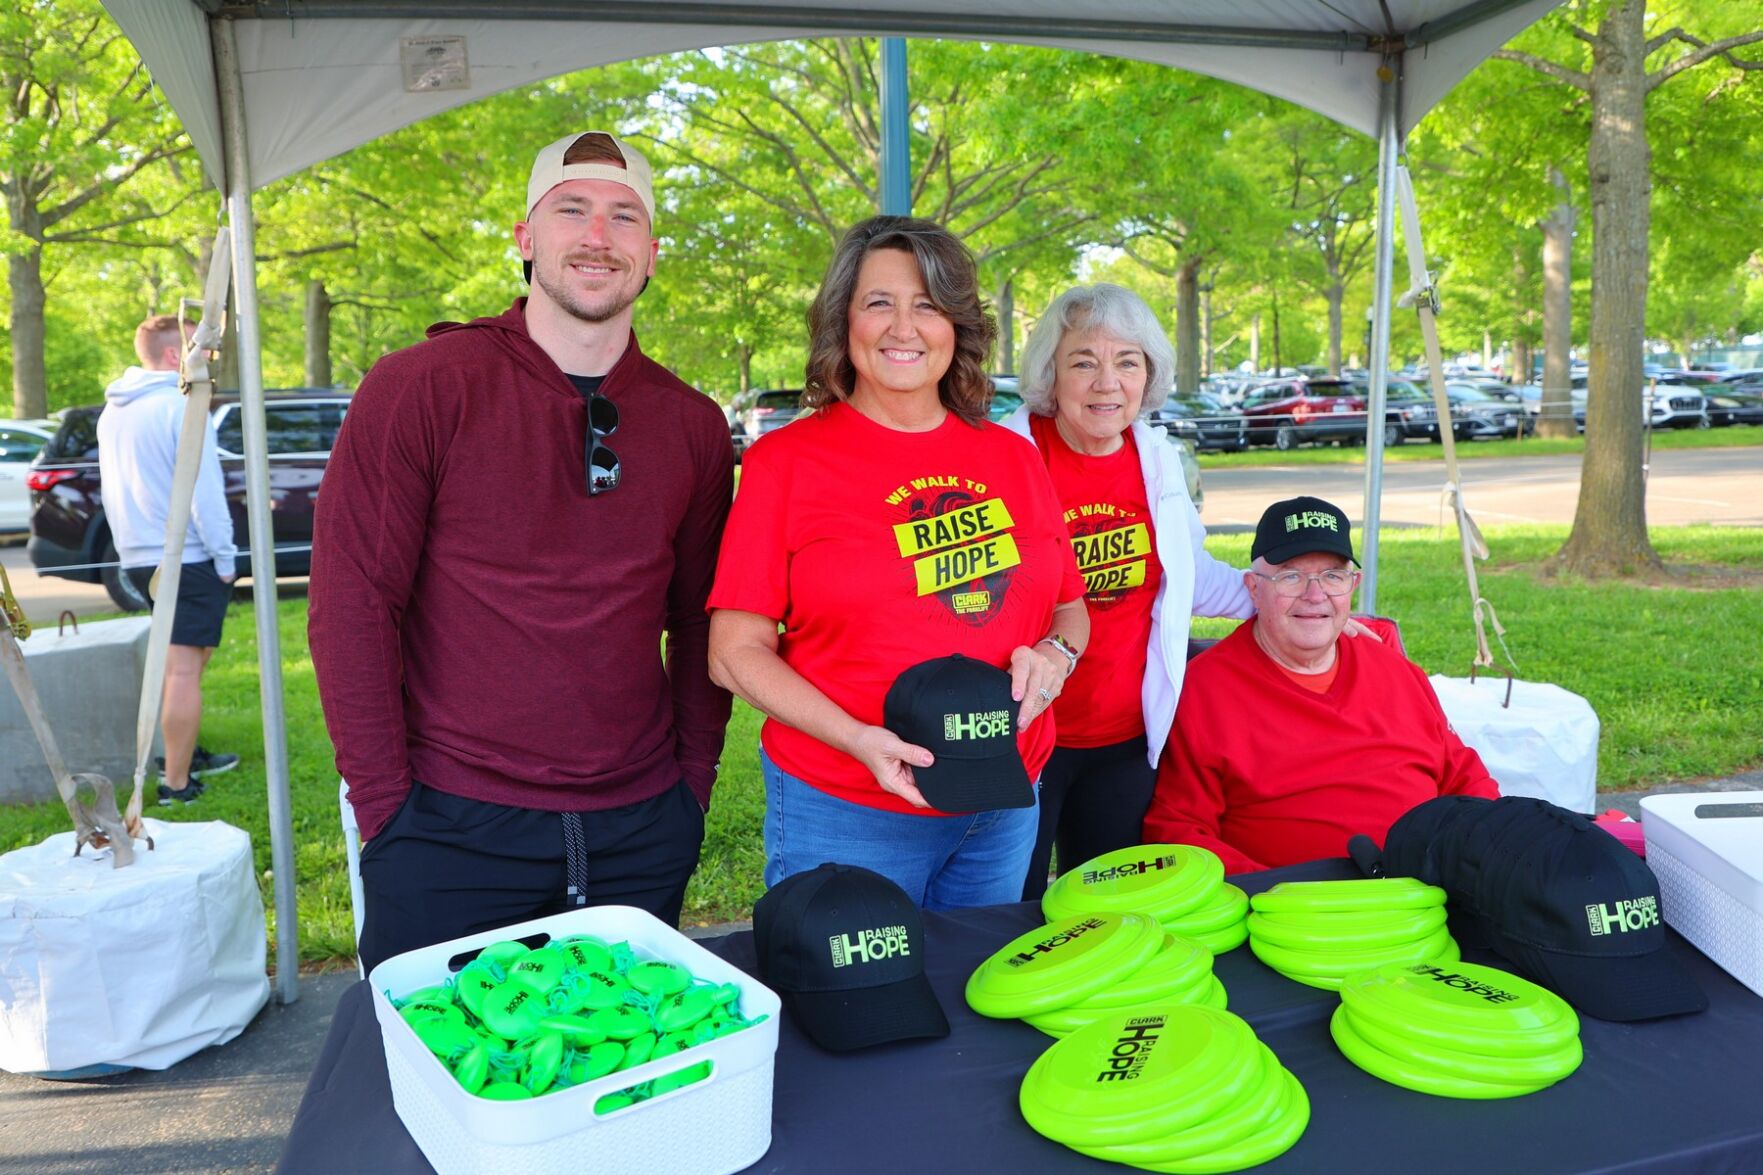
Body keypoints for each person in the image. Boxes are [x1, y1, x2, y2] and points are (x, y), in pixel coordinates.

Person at [309, 132, 735, 972]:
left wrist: (690, 785)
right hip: (448, 824)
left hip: (641, 823)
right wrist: (387, 808)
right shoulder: (421, 387)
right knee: (449, 1085)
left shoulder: (690, 422)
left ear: (650, 254)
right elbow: (353, 605)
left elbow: (698, 622)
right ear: (524, 236)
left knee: (618, 1082)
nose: (596, 236)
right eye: (571, 209)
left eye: (623, 217)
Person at [706, 215, 1089, 909]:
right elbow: (732, 652)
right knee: (849, 1010)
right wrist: (857, 740)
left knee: (980, 997)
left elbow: (1068, 605)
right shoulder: (784, 465)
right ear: (842, 322)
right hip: (848, 806)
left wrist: (1056, 656)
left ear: (958, 327)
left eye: (928, 305)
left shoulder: (1012, 457)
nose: (904, 327)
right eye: (879, 302)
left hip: (1002, 799)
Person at [1000, 284, 1254, 899]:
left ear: (1149, 375)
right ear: (1050, 374)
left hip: (1126, 738)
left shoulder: (1159, 461)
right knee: (1010, 907)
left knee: (1108, 910)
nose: (1106, 382)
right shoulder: (1007, 456)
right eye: (1083, 361)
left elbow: (1189, 575)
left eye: (1127, 362)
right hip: (1021, 733)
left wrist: (1287, 602)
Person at [1142, 495, 1499, 873]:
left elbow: (1466, 777)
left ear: (1352, 585)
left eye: (1332, 576)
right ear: (1253, 588)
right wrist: (1277, 895)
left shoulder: (1397, 672)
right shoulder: (1205, 691)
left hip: (1428, 897)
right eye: (1291, 576)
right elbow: (1178, 831)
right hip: (1290, 913)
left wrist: (1484, 852)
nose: (1315, 595)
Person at [96, 313, 241, 805]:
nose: (208, 353)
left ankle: (181, 753)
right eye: (199, 346)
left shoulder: (113, 410)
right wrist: (225, 557)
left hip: (142, 552)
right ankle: (175, 783)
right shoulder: (181, 407)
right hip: (184, 553)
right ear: (175, 355)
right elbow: (204, 491)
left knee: (184, 663)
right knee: (182, 668)